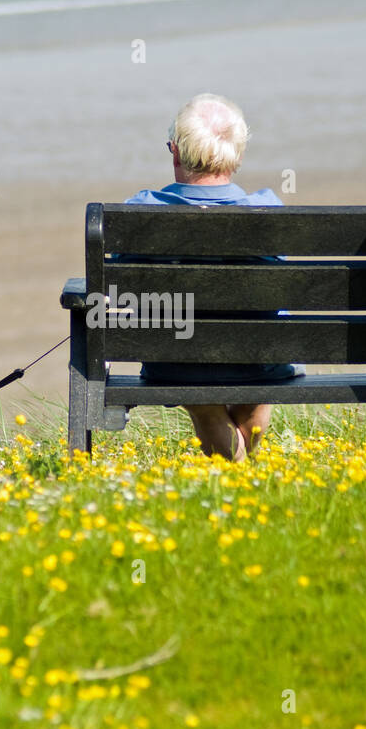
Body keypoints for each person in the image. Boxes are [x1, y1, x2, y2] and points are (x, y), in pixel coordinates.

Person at [125, 93, 302, 461]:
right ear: (237, 155)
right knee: (261, 356)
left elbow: (120, 288)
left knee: (200, 386)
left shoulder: (139, 213)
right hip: (258, 358)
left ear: (175, 152)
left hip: (174, 361)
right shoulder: (268, 211)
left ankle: (233, 472)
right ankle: (239, 476)